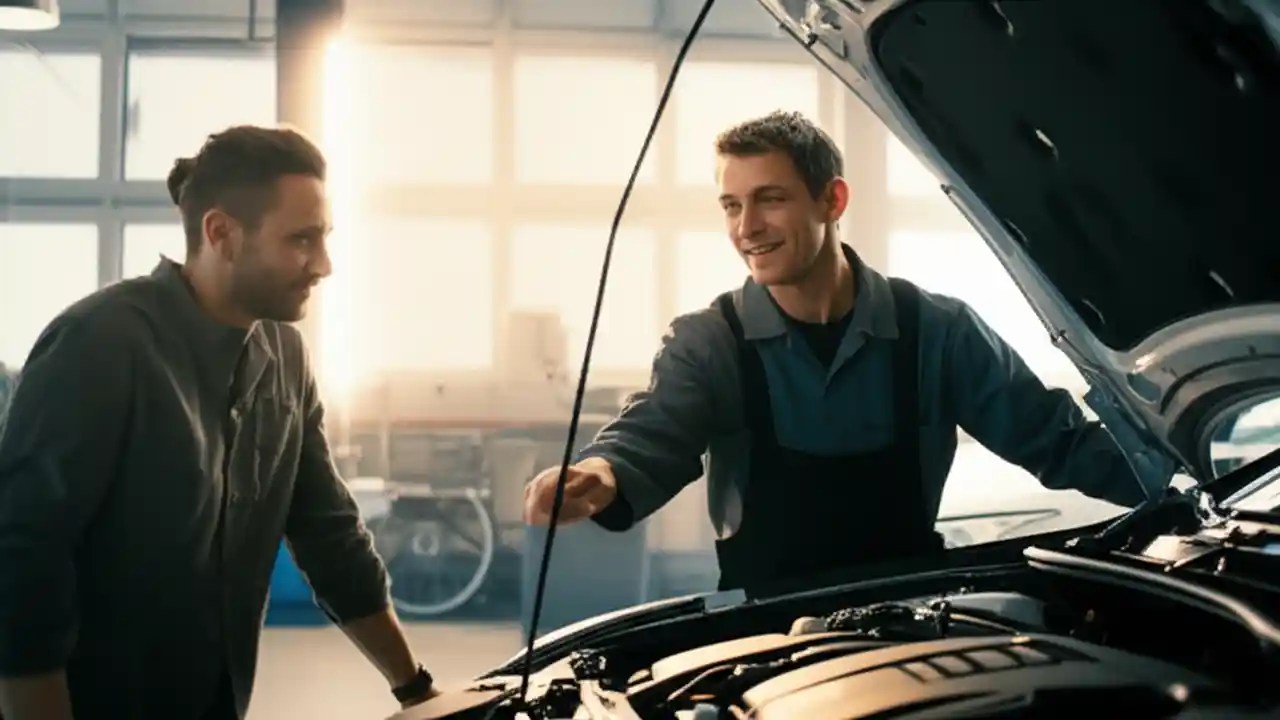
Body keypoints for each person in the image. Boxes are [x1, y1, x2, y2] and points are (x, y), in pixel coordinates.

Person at [524, 110, 1157, 594]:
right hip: (760, 628)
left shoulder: (937, 330)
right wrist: (600, 475)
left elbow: (1058, 439)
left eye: (770, 199)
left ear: (833, 200)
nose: (747, 228)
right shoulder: (710, 338)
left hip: (910, 613)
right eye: (731, 205)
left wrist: (1191, 486)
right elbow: (655, 430)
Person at [0, 125, 439, 720]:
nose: (325, 265)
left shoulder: (285, 355)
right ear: (221, 233)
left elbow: (328, 533)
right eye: (301, 240)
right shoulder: (98, 343)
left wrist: (415, 689)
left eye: (325, 238)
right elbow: (22, 554)